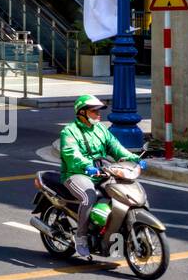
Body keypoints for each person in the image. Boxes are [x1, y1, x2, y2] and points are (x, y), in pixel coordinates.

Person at [59, 95, 142, 260]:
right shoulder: (69, 131)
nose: (99, 114)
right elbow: (71, 154)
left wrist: (135, 158)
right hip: (76, 174)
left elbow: (116, 147)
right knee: (88, 197)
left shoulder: (101, 129)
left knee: (125, 192)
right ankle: (81, 238)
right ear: (82, 112)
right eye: (94, 111)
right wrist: (87, 166)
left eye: (99, 111)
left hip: (103, 172)